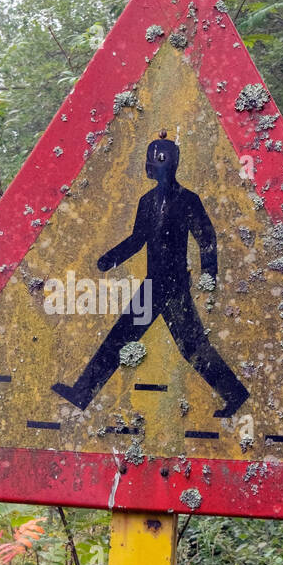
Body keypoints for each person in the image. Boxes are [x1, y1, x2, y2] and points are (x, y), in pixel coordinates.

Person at [52, 133, 249, 417]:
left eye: (151, 161)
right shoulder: (146, 201)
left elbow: (207, 237)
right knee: (185, 345)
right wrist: (111, 258)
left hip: (173, 285)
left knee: (169, 343)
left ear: (164, 163)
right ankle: (236, 394)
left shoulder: (187, 200)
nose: (147, 166)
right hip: (155, 282)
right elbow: (137, 239)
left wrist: (209, 274)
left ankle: (83, 393)